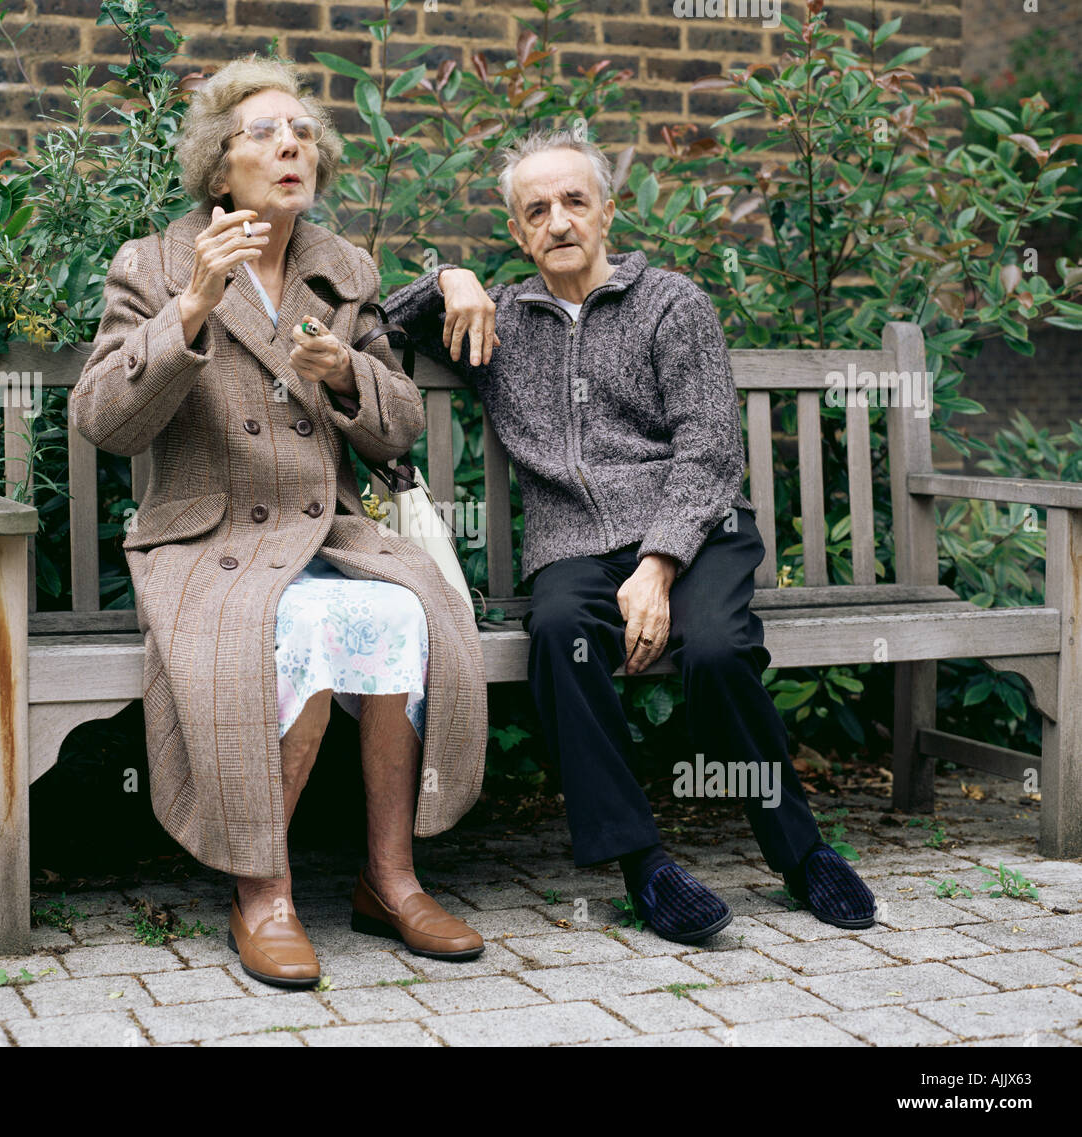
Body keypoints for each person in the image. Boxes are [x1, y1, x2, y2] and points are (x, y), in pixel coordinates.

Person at [384, 129, 876, 944]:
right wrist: (449, 278)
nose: (559, 221)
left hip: (696, 532)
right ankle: (643, 866)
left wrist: (657, 565)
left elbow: (709, 448)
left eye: (575, 201)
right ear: (517, 232)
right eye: (536, 209)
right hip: (572, 546)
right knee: (558, 632)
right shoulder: (496, 318)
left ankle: (799, 851)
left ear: (607, 211)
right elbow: (372, 326)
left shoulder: (671, 303)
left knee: (716, 650)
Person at [71, 57, 488, 988]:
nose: (290, 144)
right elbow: (103, 418)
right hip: (207, 538)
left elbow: (402, 426)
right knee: (293, 622)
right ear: (220, 171)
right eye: (262, 132)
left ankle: (390, 878)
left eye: (301, 132)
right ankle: (263, 892)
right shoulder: (156, 264)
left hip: (327, 530)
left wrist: (347, 372)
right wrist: (190, 311)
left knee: (402, 614)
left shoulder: (344, 272)